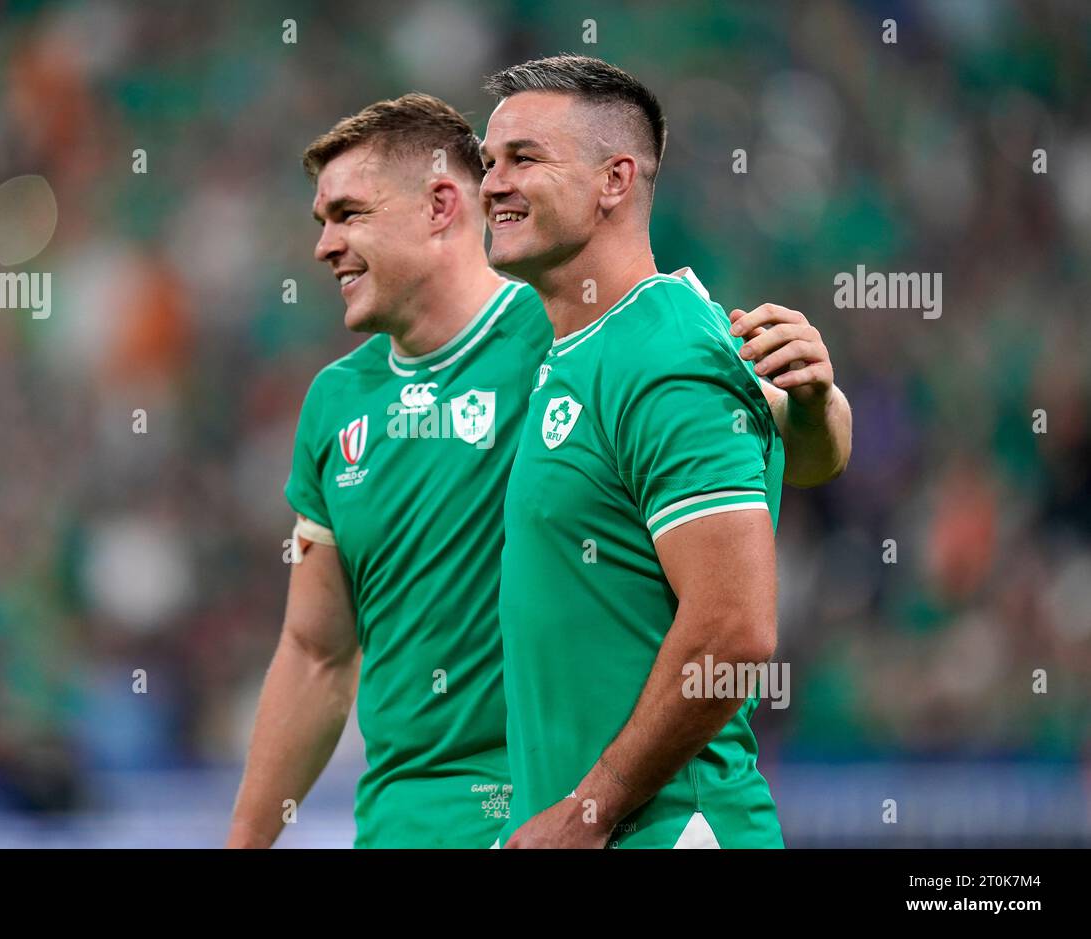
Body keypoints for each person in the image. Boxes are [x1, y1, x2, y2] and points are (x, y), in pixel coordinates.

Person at [228, 90, 849, 848]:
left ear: (438, 206)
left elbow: (783, 429)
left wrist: (820, 403)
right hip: (400, 821)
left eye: (348, 214)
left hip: (552, 803)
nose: (324, 245)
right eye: (320, 221)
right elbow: (316, 651)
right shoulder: (335, 402)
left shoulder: (571, 325)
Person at [480, 55, 846, 848]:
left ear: (615, 180)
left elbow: (737, 628)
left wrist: (589, 810)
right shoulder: (592, 345)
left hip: (672, 829)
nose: (490, 184)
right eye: (488, 161)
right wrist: (816, 408)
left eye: (523, 158)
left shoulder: (665, 351)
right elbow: (807, 449)